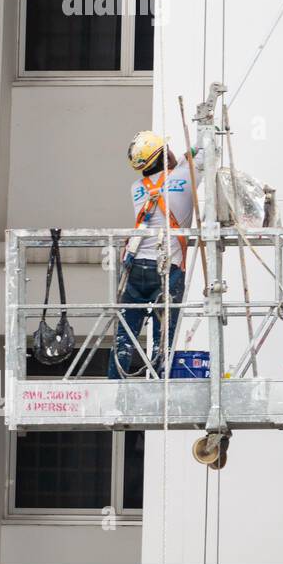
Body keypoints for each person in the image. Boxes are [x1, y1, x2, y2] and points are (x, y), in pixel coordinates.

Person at [110, 130, 199, 378]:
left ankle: (114, 387)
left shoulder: (137, 188)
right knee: (163, 340)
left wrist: (181, 160)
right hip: (167, 268)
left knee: (124, 337)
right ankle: (160, 386)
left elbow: (168, 175)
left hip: (135, 267)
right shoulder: (186, 177)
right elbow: (204, 152)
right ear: (163, 155)